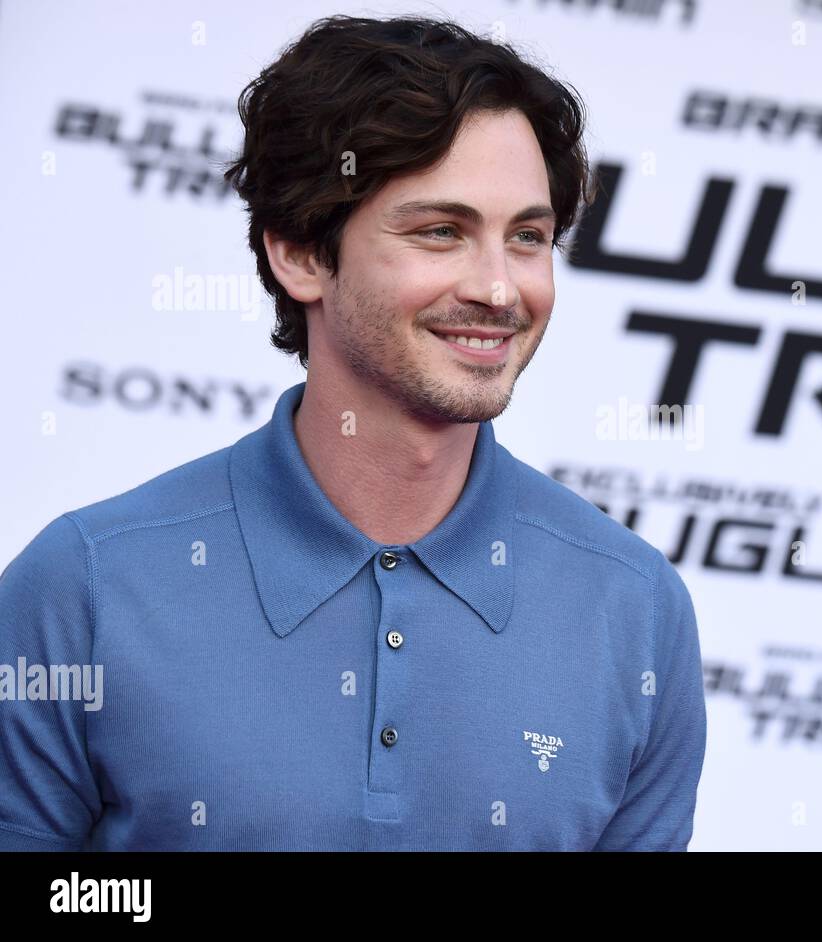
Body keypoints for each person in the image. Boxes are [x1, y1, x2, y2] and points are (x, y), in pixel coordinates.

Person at [0, 15, 706, 851]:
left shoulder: (634, 608)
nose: (498, 288)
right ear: (300, 252)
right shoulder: (84, 586)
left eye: (528, 237)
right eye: (440, 231)